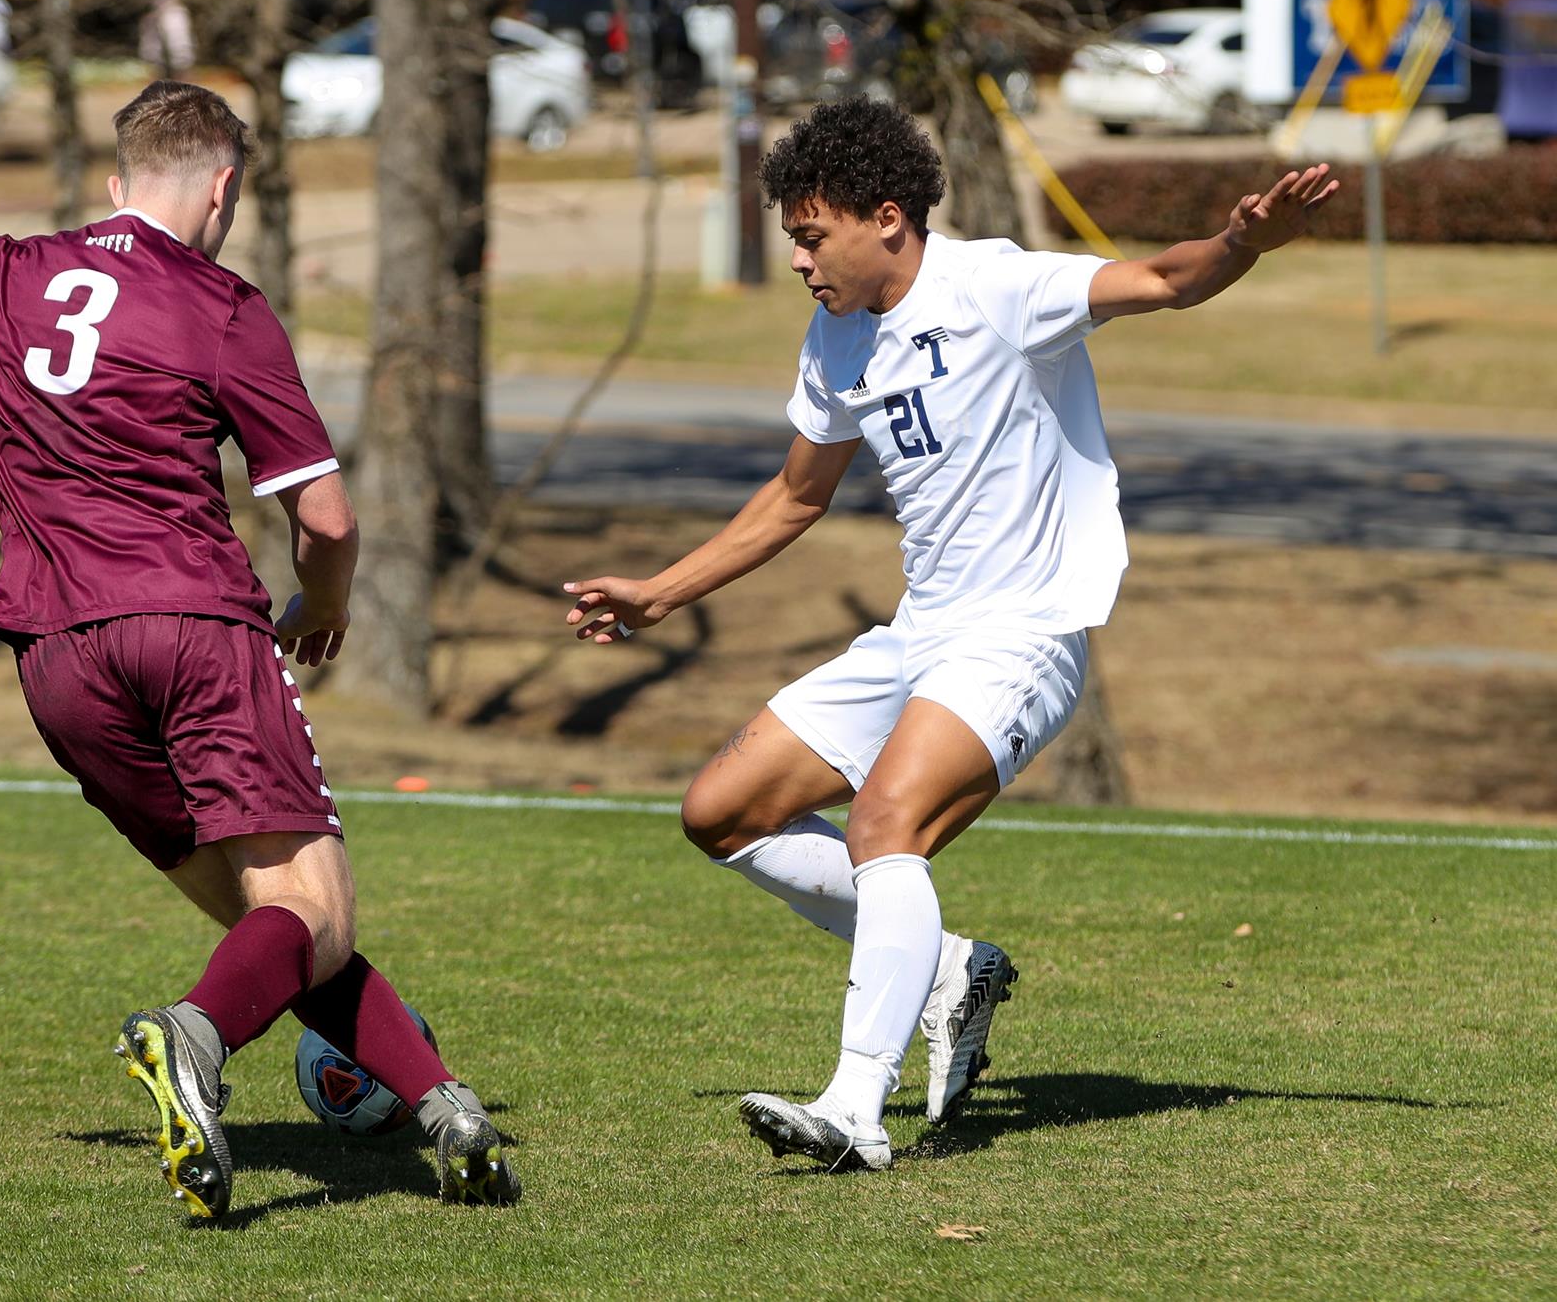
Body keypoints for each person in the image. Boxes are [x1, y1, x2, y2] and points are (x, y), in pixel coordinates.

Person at [563, 96, 1338, 1172]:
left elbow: (1162, 280)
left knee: (885, 823)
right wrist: (662, 591)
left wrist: (1243, 240)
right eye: (791, 236)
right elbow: (794, 498)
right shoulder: (835, 334)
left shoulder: (996, 286)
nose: (798, 258)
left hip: (1020, 634)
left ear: (886, 218)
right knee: (720, 810)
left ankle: (853, 1107)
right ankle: (940, 965)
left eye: (809, 233)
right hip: (917, 632)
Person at [0, 80, 519, 1216]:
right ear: (224, 187)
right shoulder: (220, 305)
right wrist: (321, 606)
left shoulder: (0, 271)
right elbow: (326, 518)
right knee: (313, 910)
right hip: (192, 630)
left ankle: (444, 1108)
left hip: (55, 662)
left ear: (116, 182)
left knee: (273, 923)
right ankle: (192, 1039)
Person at [139, 0, 195, 82]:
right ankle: (163, 75)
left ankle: (181, 75)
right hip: (163, 59)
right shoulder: (155, 16)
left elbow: (179, 42)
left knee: (179, 47)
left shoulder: (176, 14)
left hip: (179, 56)